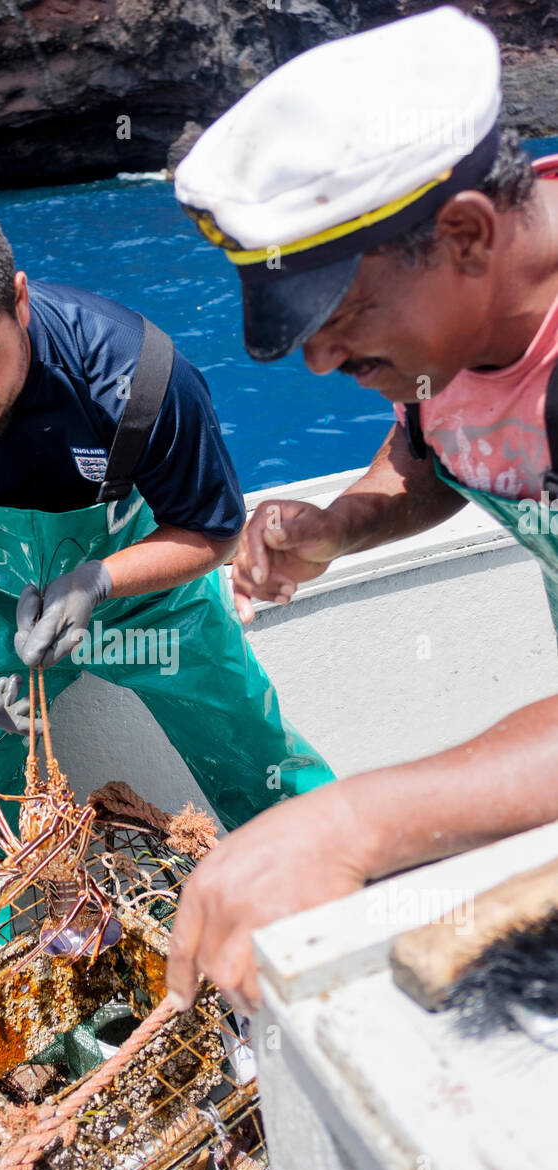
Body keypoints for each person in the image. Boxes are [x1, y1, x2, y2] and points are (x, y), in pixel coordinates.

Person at [0, 192, 333, 955]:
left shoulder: (137, 373)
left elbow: (214, 531)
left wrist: (98, 583)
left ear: (17, 301)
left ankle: (333, 896)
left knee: (244, 734)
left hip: (138, 587)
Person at [165, 5, 558, 1015]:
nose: (317, 357)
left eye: (339, 316)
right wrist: (341, 524)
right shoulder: (452, 322)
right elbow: (436, 443)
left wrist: (345, 823)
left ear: (466, 233)